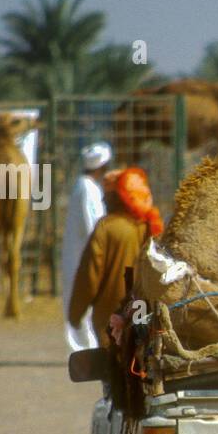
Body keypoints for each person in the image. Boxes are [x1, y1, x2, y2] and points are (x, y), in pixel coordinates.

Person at [68, 167, 163, 349]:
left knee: (114, 370)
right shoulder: (151, 228)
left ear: (117, 197)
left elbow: (89, 277)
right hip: (146, 315)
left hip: (111, 319)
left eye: (107, 194)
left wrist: (75, 314)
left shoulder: (106, 228)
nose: (103, 199)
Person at [62, 142, 113, 351]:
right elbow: (92, 225)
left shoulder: (86, 186)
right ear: (103, 167)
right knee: (81, 302)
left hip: (84, 254)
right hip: (82, 256)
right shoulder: (86, 189)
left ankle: (89, 347)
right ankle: (83, 349)